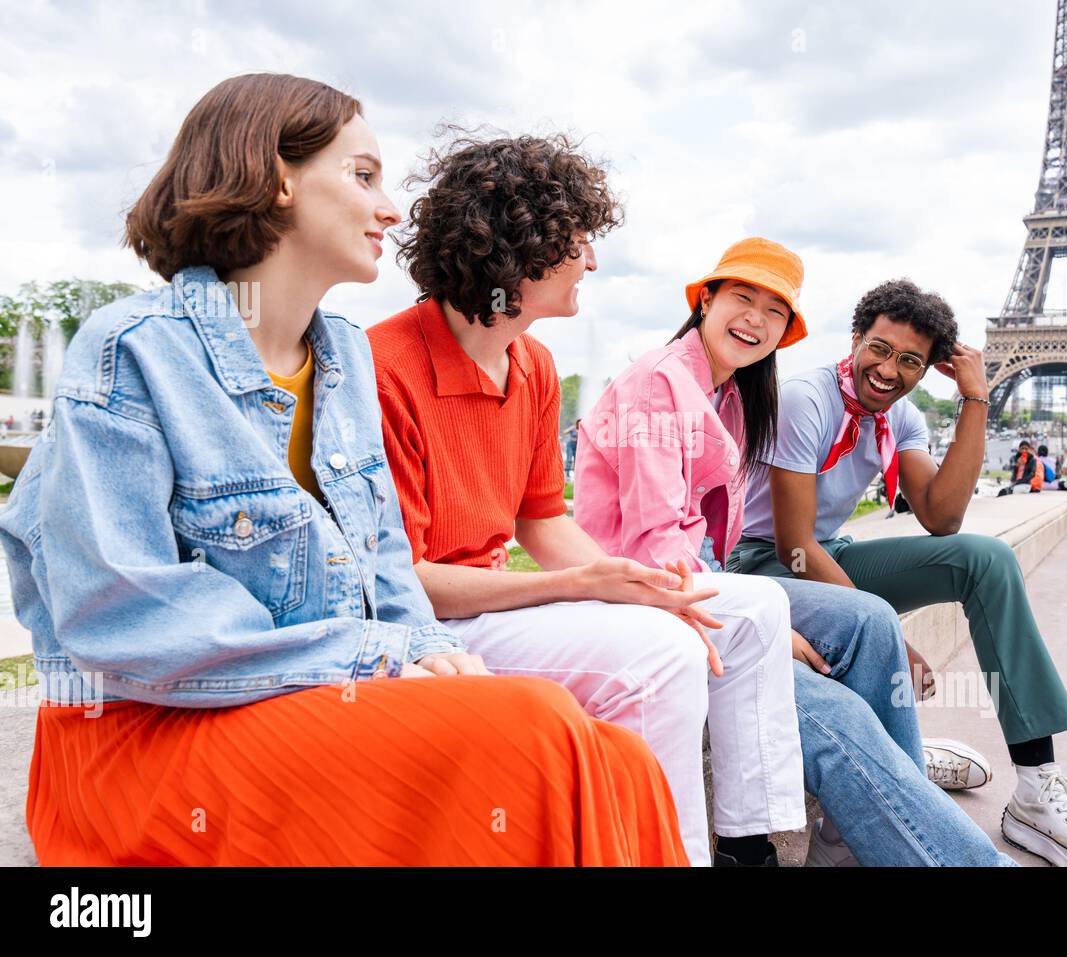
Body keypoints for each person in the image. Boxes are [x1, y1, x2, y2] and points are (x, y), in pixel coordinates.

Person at [0, 75, 688, 867]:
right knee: (535, 727)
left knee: (623, 761)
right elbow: (118, 611)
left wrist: (431, 653)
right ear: (276, 177)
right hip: (143, 731)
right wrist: (383, 658)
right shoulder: (136, 347)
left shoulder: (345, 357)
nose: (390, 209)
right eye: (363, 176)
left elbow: (385, 562)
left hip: (305, 697)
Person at [368, 132, 804, 866]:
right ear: (522, 249)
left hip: (492, 602)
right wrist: (588, 583)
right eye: (578, 241)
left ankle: (747, 842)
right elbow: (401, 585)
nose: (593, 261)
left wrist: (625, 582)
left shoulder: (532, 364)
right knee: (665, 652)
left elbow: (541, 518)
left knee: (759, 606)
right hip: (433, 628)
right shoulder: (385, 368)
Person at [576, 238, 1011, 867]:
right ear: (705, 301)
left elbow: (942, 515)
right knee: (836, 717)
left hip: (704, 582)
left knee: (872, 619)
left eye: (774, 311)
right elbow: (657, 548)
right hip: (649, 598)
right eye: (741, 298)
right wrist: (764, 628)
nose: (755, 319)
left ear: (786, 331)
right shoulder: (660, 385)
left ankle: (878, 827)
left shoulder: (733, 393)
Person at [728, 279, 1067, 866]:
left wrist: (976, 399)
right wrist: (891, 629)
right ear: (857, 338)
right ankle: (904, 765)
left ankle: (1037, 786)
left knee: (985, 559)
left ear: (928, 368)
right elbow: (792, 545)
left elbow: (942, 517)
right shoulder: (805, 399)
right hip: (762, 562)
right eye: (880, 349)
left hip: (828, 553)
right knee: (869, 621)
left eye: (910, 360)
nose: (889, 370)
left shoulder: (903, 418)